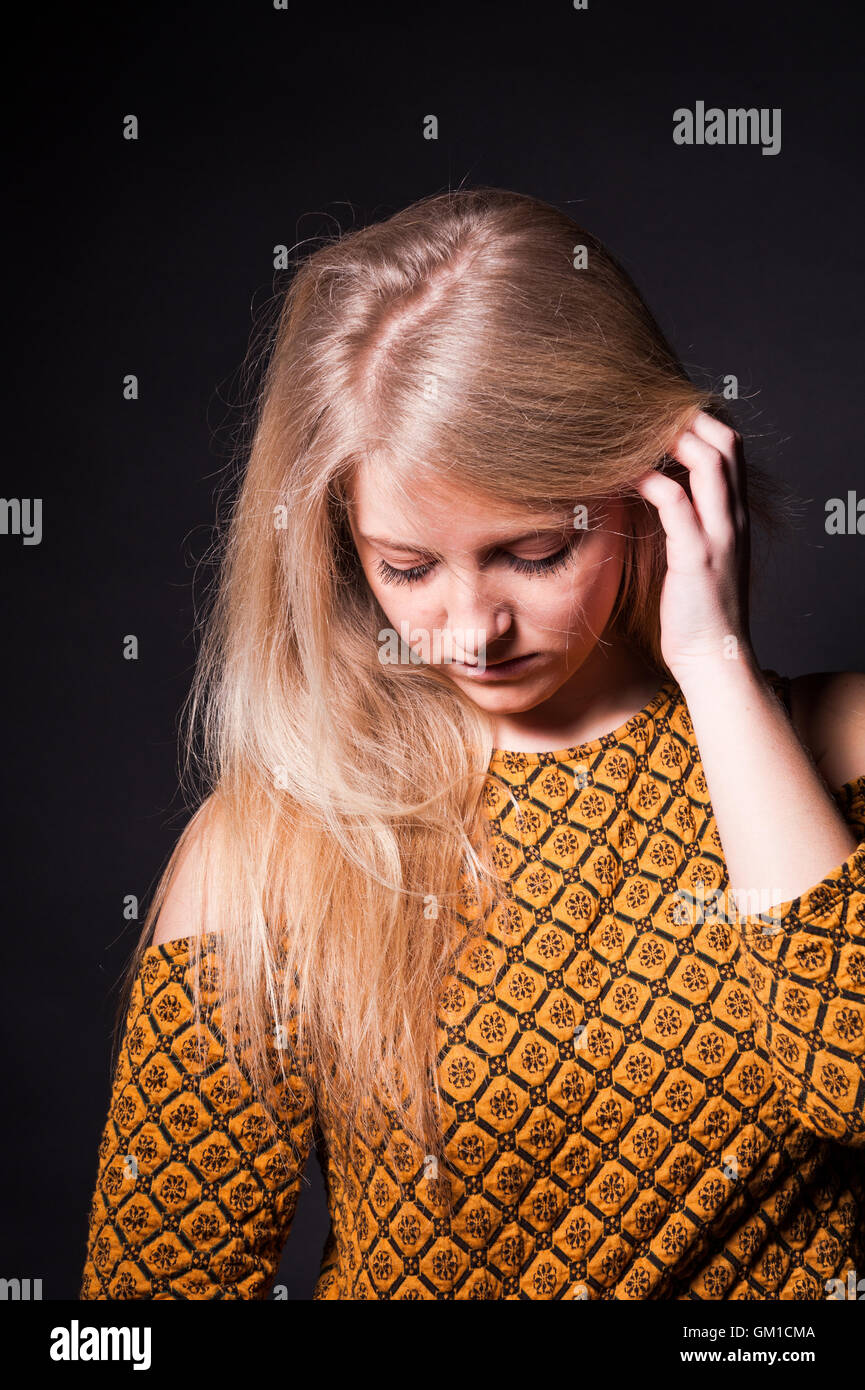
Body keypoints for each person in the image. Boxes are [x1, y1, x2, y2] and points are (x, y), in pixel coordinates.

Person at [80, 187, 865, 1300]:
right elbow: (144, 1311)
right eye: (408, 566)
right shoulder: (271, 850)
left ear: (662, 483)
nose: (472, 629)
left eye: (536, 551)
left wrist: (718, 668)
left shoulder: (839, 744)